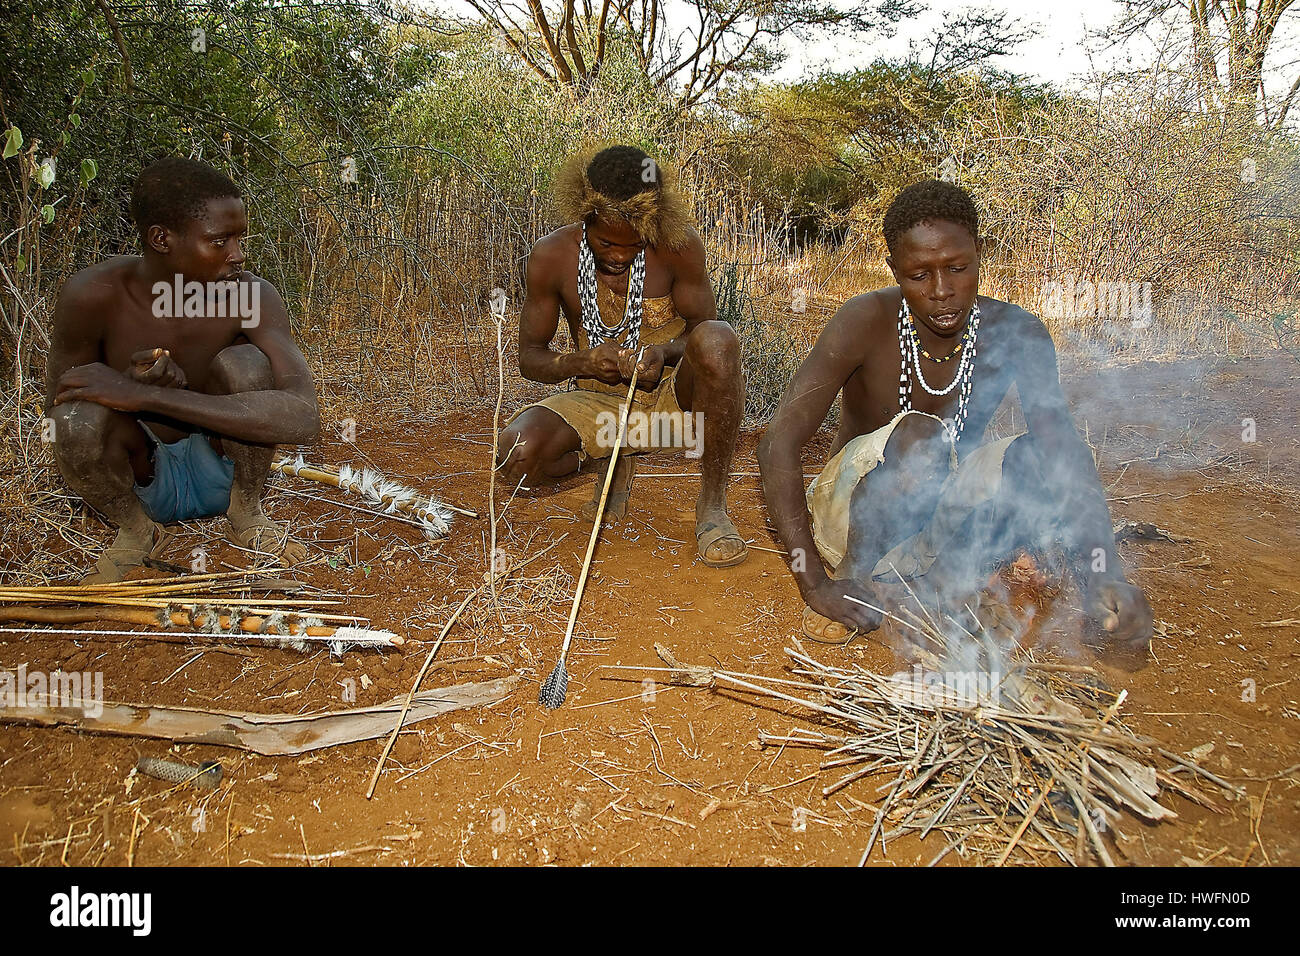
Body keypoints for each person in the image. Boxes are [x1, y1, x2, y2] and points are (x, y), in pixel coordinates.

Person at [757, 179, 1152, 654]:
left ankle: (954, 589)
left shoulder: (1017, 331)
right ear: (893, 269)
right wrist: (814, 583)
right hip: (849, 522)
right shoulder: (864, 320)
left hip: (943, 528)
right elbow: (777, 441)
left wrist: (1106, 570)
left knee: (1050, 450)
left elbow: (1058, 451)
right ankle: (856, 581)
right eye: (919, 275)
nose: (941, 290)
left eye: (957, 268)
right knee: (921, 435)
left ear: (980, 253)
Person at [45, 157, 319, 582]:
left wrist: (152, 396)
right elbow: (57, 416)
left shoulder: (250, 296)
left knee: (246, 363)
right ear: (161, 239)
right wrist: (124, 386)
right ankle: (136, 530)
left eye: (240, 238)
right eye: (219, 241)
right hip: (142, 479)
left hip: (221, 471)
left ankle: (247, 510)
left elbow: (304, 417)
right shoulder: (93, 294)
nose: (238, 255)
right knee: (73, 415)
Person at [498, 145, 748, 567]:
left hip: (674, 402)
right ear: (584, 217)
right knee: (516, 455)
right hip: (600, 407)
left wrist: (664, 352)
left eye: (632, 246)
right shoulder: (551, 256)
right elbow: (529, 358)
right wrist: (581, 362)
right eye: (605, 242)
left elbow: (704, 336)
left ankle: (712, 506)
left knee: (721, 338)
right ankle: (609, 460)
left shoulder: (679, 247)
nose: (618, 256)